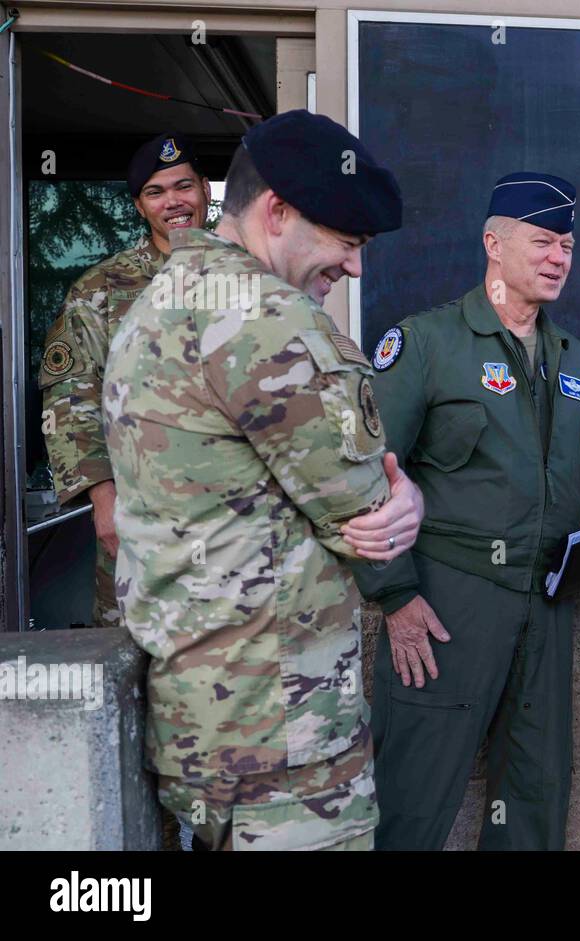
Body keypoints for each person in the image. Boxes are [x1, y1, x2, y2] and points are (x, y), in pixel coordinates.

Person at [103, 110, 423, 851]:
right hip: (287, 753)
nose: (354, 267)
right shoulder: (269, 319)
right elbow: (369, 516)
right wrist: (411, 499)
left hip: (206, 735)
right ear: (276, 211)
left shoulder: (158, 302)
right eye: (347, 242)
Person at [354, 172, 580, 850]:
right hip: (449, 602)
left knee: (537, 799)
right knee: (412, 800)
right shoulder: (426, 345)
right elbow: (365, 475)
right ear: (493, 244)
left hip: (547, 600)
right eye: (542, 241)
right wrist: (394, 598)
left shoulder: (579, 362)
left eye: (566, 244)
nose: (558, 257)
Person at [39, 132, 210, 627]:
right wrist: (103, 500)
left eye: (184, 186)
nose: (174, 202)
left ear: (204, 189)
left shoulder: (248, 276)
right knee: (133, 658)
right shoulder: (101, 289)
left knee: (237, 660)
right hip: (143, 519)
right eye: (156, 192)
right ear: (139, 205)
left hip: (236, 517)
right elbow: (71, 397)